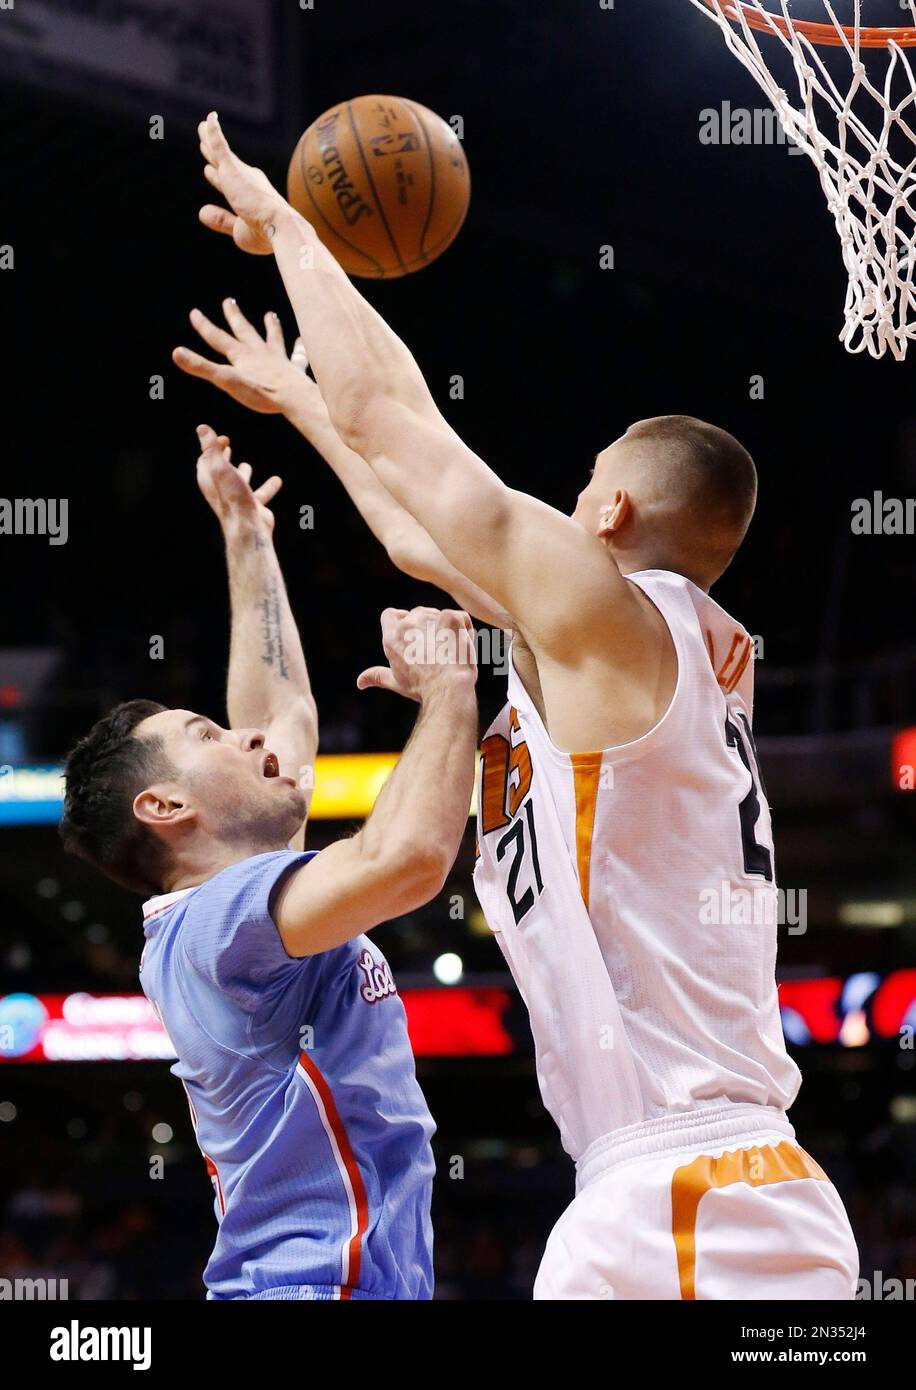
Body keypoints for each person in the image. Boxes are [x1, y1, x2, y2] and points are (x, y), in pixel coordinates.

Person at [178, 110, 860, 1300]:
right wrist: (299, 405)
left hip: (707, 1190)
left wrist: (290, 222)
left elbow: (408, 428)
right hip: (644, 1192)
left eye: (583, 481)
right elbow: (409, 526)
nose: (562, 502)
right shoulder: (617, 658)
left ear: (603, 519)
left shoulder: (617, 621)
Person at [59, 425, 479, 1300]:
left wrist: (246, 535)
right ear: (167, 808)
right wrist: (448, 691)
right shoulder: (225, 921)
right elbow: (408, 859)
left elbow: (281, 713)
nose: (247, 735)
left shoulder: (228, 907)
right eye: (207, 736)